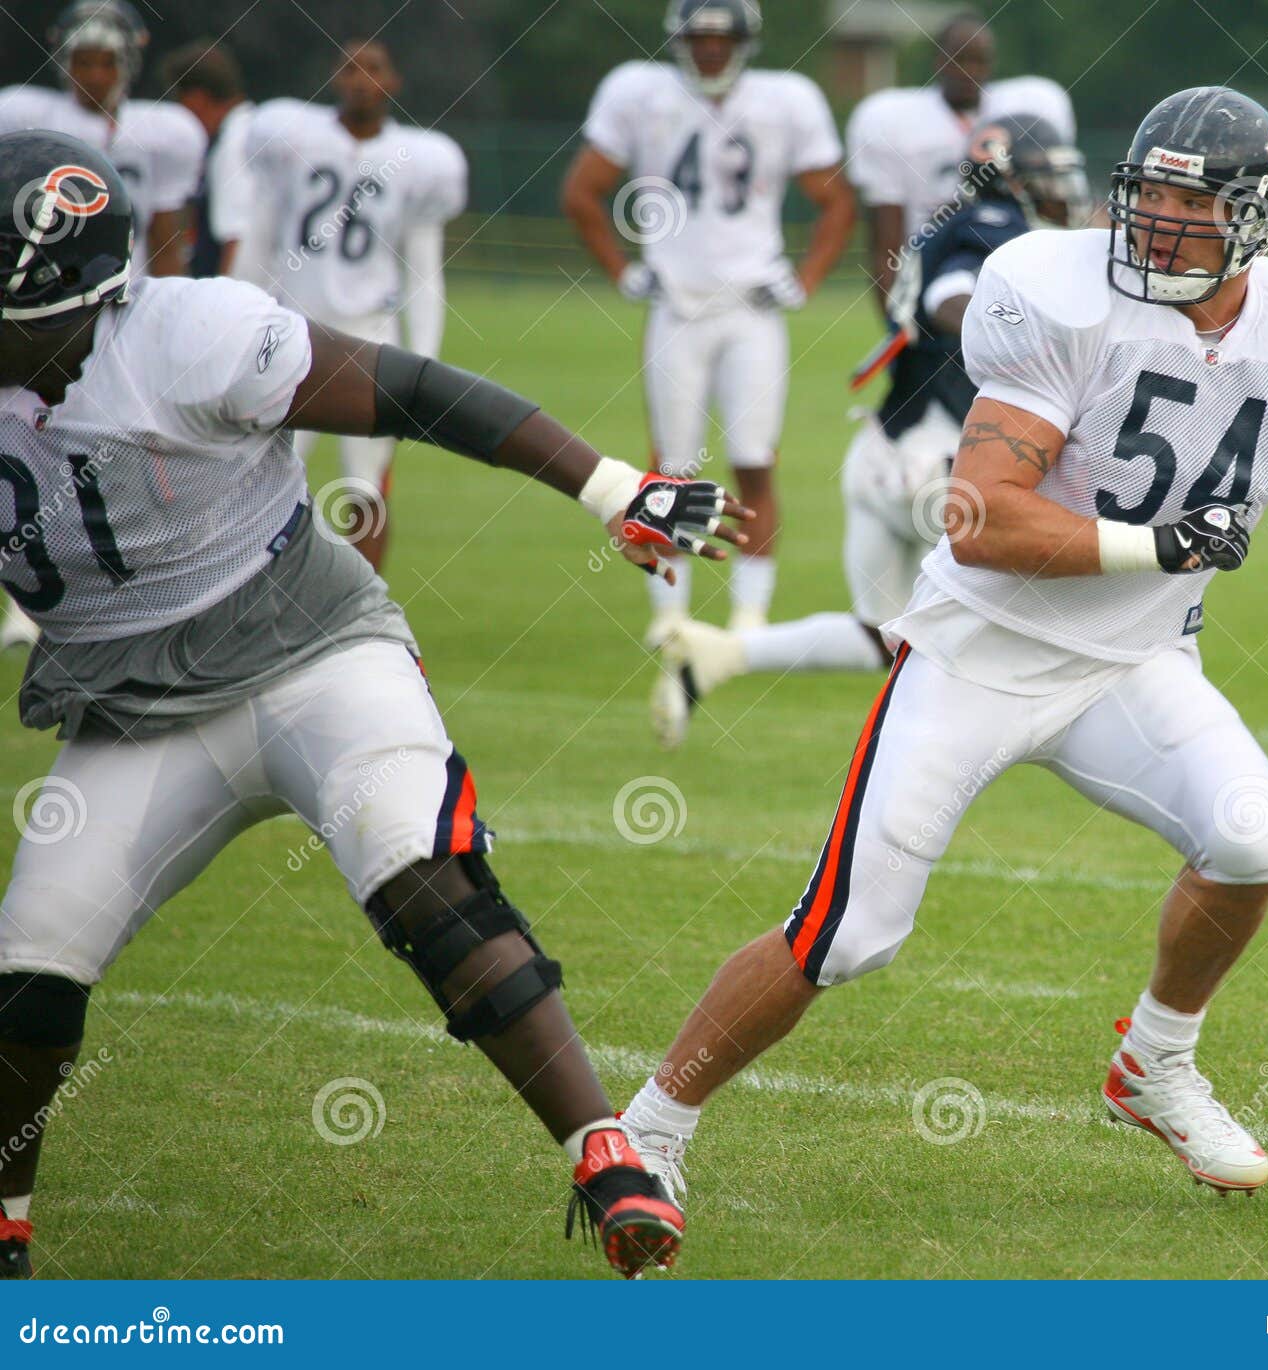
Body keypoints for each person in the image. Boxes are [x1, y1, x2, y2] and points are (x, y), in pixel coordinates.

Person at [616, 87, 1268, 1208]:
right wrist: (1159, 542)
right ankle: (646, 1128)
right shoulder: (1056, 289)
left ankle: (1156, 1062)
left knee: (1251, 841)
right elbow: (978, 519)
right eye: (1152, 193)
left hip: (1131, 665)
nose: (1160, 221)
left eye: (1195, 200)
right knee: (847, 932)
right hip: (977, 651)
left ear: (1257, 215)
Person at [0, 131, 751, 1280]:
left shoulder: (187, 334)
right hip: (133, 708)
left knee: (422, 871)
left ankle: (600, 1146)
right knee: (28, 970)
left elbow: (408, 390)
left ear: (78, 295)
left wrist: (608, 485)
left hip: (309, 648)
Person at [650, 115, 1079, 746]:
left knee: (883, 635)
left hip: (884, 454)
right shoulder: (993, 232)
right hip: (930, 468)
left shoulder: (966, 226)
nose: (1061, 193)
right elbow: (953, 297)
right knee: (1029, 605)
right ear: (1008, 182)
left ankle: (717, 654)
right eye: (1045, 177)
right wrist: (1023, 336)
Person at [561, 0, 855, 645]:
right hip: (677, 305)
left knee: (754, 461)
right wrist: (623, 270)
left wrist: (803, 279)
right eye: (698, 38)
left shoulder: (786, 99)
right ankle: (670, 614)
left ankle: (749, 618)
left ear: (746, 42)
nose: (710, 51)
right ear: (679, 41)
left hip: (752, 308)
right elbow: (581, 191)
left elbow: (836, 199)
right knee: (670, 467)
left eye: (722, 39)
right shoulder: (639, 92)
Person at [0, 0, 204, 653]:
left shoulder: (165, 131)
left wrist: (172, 309)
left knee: (119, 448)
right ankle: (27, 605)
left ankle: (131, 586)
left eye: (105, 61)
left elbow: (169, 232)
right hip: (37, 313)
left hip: (118, 310)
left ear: (128, 65)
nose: (93, 73)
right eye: (83, 60)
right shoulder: (27, 118)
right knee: (29, 448)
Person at [243, 38, 468, 571]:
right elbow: (259, 244)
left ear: (393, 83)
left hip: (369, 336)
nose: (359, 79)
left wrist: (424, 359)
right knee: (263, 480)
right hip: (290, 332)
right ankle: (257, 599)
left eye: (372, 68)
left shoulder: (418, 159)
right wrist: (240, 314)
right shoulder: (293, 137)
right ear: (332, 79)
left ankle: (363, 608)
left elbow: (422, 269)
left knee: (366, 487)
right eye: (347, 68)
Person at [846, 11, 1083, 309]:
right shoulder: (893, 122)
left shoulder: (1025, 110)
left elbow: (1056, 207)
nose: (970, 71)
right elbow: (885, 239)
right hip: (935, 259)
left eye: (980, 60)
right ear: (938, 61)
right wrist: (897, 319)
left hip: (1010, 256)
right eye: (960, 59)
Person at [160, 39, 256, 280]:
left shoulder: (234, 146)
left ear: (197, 99)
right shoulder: (243, 133)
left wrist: (224, 311)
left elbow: (235, 237)